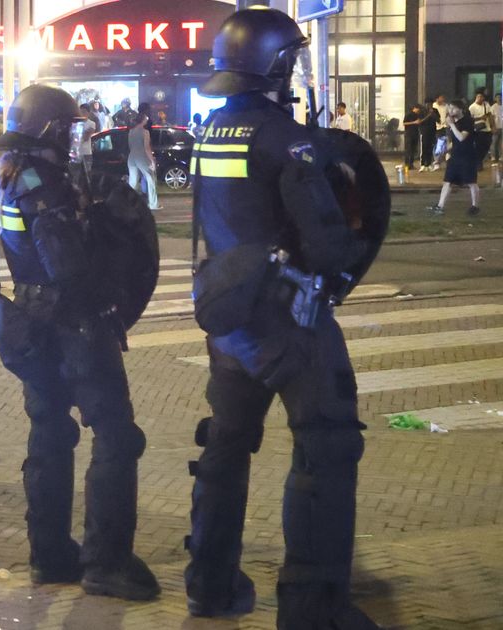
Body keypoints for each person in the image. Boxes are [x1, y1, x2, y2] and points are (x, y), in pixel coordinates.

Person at [187, 9, 380, 628]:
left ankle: (209, 584)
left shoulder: (210, 132)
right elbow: (324, 242)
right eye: (291, 59)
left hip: (230, 321)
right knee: (327, 447)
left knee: (225, 447)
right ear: (275, 65)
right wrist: (352, 244)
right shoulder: (286, 139)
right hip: (290, 323)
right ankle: (312, 608)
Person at [0, 83, 160, 600]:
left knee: (49, 431)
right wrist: (107, 293)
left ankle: (48, 555)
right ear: (50, 129)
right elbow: (66, 264)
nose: (73, 137)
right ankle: (107, 562)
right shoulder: (43, 185)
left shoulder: (7, 173)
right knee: (115, 435)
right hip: (74, 327)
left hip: (30, 319)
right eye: (68, 128)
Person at [428, 99, 481, 216]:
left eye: (453, 108)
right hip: (455, 156)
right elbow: (455, 141)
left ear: (461, 109)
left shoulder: (467, 121)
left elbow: (461, 137)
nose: (450, 111)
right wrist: (443, 153)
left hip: (467, 156)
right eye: (449, 108)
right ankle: (440, 206)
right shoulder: (455, 122)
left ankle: (475, 206)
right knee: (447, 181)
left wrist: (451, 124)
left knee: (471, 182)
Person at [127, 114, 160, 210]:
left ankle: (128, 203)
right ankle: (153, 204)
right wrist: (152, 161)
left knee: (132, 182)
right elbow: (147, 148)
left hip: (131, 157)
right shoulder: (145, 132)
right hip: (141, 157)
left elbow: (130, 146)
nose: (147, 120)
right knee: (151, 179)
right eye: (146, 119)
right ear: (143, 120)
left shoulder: (131, 132)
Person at [467, 92, 491, 169]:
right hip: (478, 130)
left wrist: (493, 126)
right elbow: (470, 119)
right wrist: (480, 118)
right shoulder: (472, 107)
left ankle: (479, 161)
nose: (480, 98)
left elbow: (490, 115)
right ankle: (478, 163)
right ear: (476, 97)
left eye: (481, 97)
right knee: (479, 147)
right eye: (479, 96)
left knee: (487, 145)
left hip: (487, 128)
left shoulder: (486, 104)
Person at [418, 99, 439, 171]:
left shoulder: (435, 110)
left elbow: (438, 120)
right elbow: (420, 121)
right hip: (424, 131)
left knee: (430, 148)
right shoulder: (422, 111)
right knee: (424, 147)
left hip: (432, 131)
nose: (429, 105)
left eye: (431, 104)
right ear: (425, 104)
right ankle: (423, 164)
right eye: (428, 104)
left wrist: (433, 114)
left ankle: (429, 164)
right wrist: (429, 115)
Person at [401, 103, 423, 170]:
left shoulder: (417, 115)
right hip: (409, 134)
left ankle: (411, 164)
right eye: (418, 109)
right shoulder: (408, 114)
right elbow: (404, 123)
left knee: (413, 150)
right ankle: (407, 165)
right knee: (408, 150)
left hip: (415, 133)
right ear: (415, 108)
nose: (418, 111)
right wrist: (414, 122)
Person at [78, 103, 97, 174]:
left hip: (86, 152)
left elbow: (85, 137)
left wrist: (78, 135)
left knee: (86, 174)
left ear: (88, 113)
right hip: (77, 153)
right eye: (80, 111)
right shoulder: (76, 123)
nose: (82, 113)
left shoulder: (92, 124)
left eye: (84, 111)